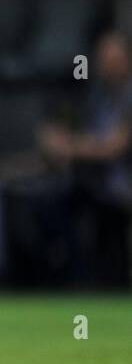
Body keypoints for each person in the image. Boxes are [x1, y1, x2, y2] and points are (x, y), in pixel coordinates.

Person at [36, 30, 132, 286]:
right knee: (50, 207)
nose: (107, 67)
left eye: (113, 60)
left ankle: (106, 286)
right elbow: (69, 127)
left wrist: (72, 148)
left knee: (109, 237)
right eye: (103, 61)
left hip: (120, 187)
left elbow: (115, 146)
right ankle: (71, 281)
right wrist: (55, 139)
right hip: (95, 184)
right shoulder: (98, 94)